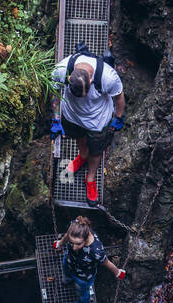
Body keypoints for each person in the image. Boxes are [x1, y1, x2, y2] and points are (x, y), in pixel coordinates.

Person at [51, 45, 125, 206]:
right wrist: (56, 118)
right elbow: (55, 93)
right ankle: (82, 156)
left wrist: (118, 117)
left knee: (96, 150)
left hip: (98, 121)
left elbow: (119, 97)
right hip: (73, 117)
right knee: (80, 138)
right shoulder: (61, 70)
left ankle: (90, 179)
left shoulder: (107, 77)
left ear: (91, 80)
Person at [54, 216, 125, 303]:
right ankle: (68, 279)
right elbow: (66, 236)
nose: (74, 247)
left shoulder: (96, 251)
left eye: (78, 244)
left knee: (82, 293)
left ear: (86, 239)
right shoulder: (74, 227)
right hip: (69, 261)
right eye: (72, 242)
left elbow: (106, 262)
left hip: (83, 275)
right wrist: (60, 243)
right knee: (66, 270)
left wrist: (117, 272)